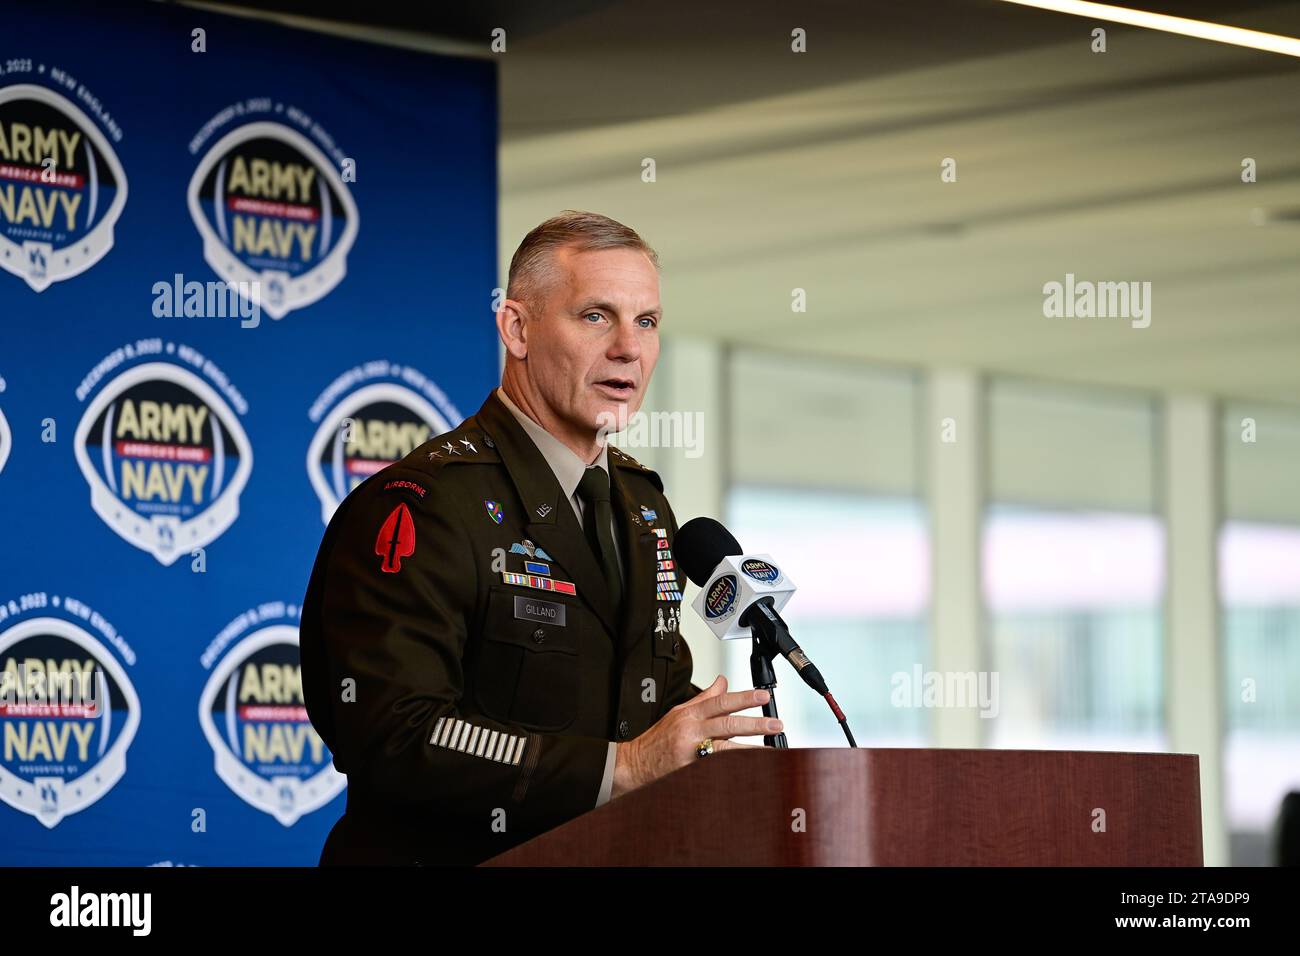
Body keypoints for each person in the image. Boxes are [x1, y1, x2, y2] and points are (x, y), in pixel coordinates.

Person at [299, 210, 782, 865]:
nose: (628, 350)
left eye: (646, 322)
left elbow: (639, 694)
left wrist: (710, 737)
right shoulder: (427, 503)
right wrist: (623, 766)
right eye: (595, 317)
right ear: (516, 329)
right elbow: (392, 734)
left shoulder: (644, 509)